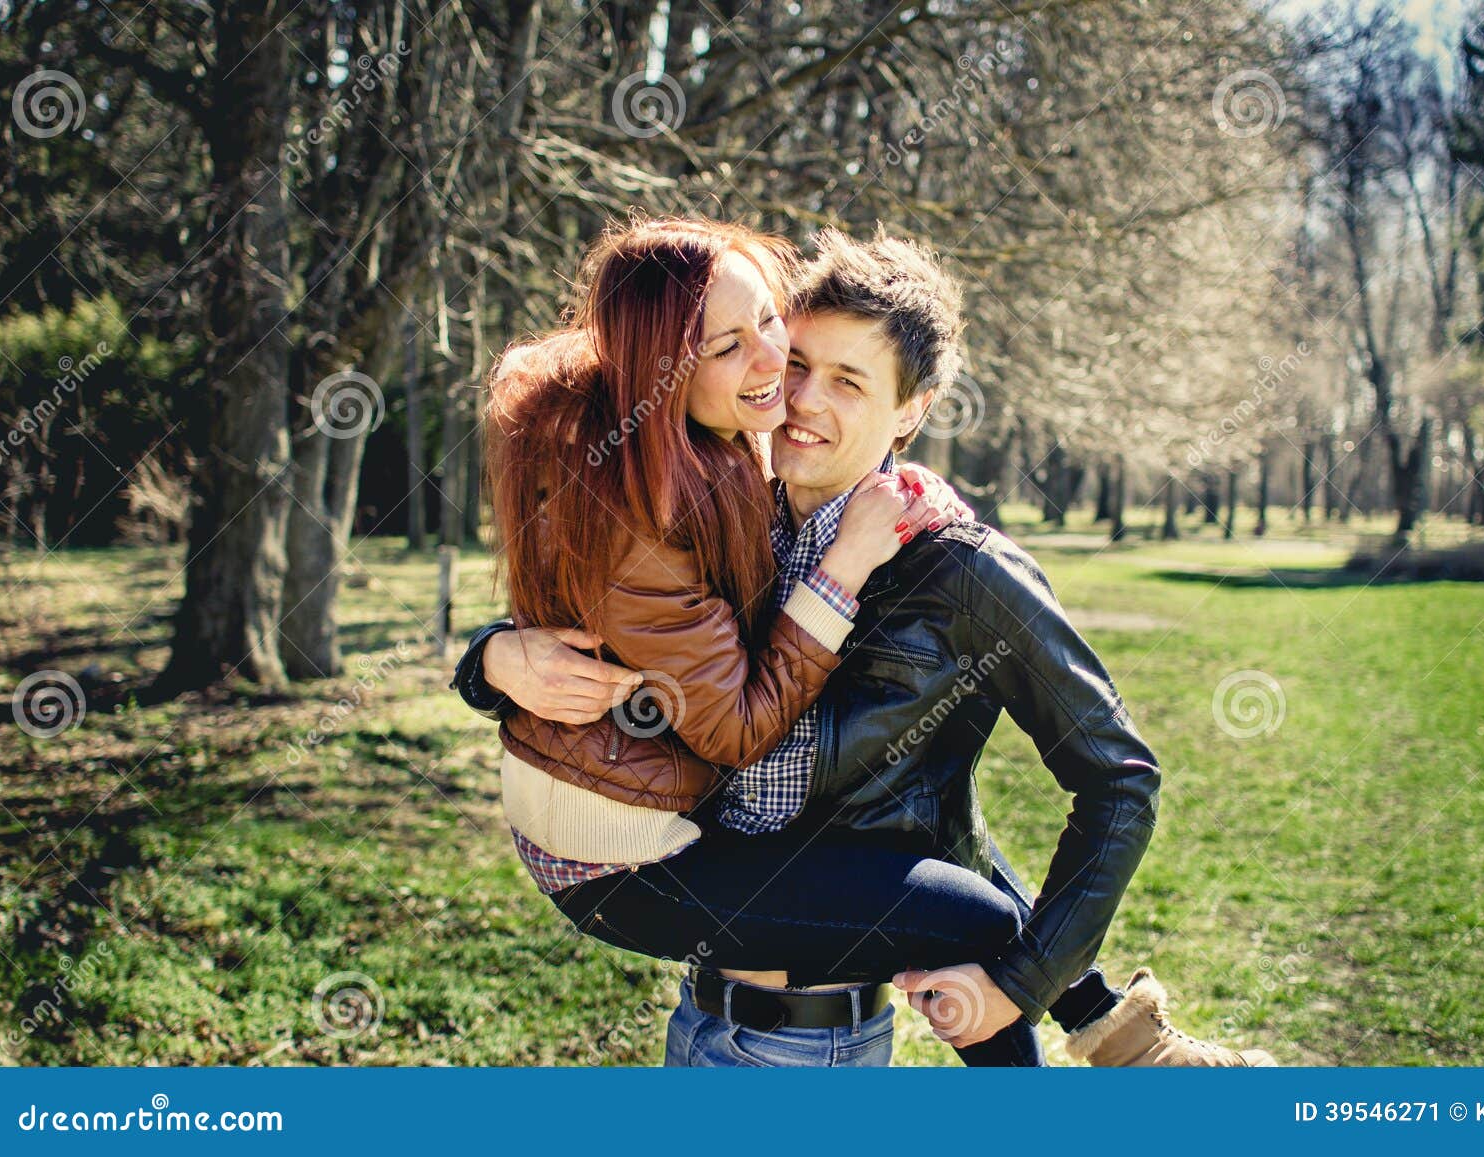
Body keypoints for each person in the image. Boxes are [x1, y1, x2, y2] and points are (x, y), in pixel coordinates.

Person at [459, 224, 1277, 1068]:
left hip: (816, 1044)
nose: (797, 395)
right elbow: (620, 595)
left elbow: (1112, 780)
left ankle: (1133, 1058)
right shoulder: (740, 504)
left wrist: (1023, 983)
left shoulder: (958, 571)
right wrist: (496, 658)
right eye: (800, 362)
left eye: (848, 381)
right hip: (703, 1019)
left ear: (912, 411)